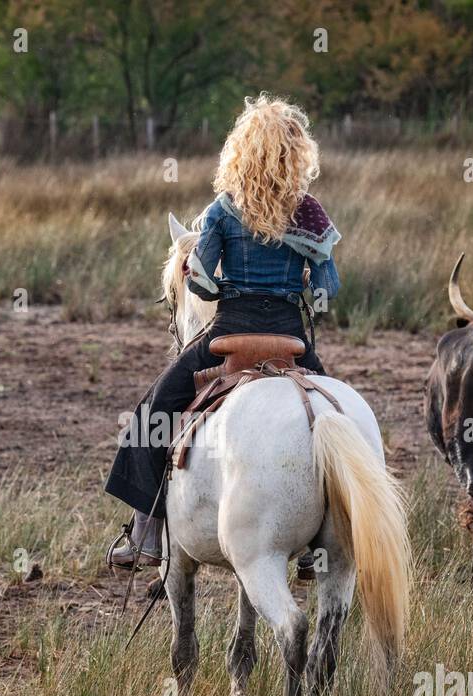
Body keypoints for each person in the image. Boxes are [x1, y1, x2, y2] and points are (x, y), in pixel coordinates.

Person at [107, 94, 342, 568]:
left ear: (241, 151)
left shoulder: (224, 209)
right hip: (290, 341)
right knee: (331, 416)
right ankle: (323, 542)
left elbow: (203, 281)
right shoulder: (310, 214)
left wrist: (211, 278)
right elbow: (327, 290)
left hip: (228, 334)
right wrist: (301, 281)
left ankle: (146, 534)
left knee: (152, 413)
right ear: (298, 155)